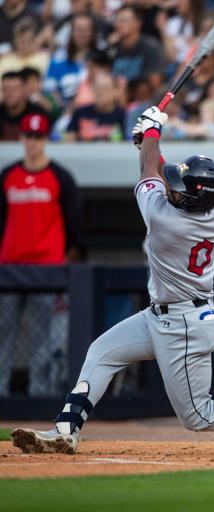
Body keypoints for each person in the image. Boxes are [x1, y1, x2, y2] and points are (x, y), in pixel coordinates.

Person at [10, 105, 214, 456]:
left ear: (192, 201)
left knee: (199, 416)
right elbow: (164, 173)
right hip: (164, 315)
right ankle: (66, 430)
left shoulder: (165, 221)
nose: (172, 190)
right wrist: (147, 141)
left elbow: (149, 170)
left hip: (183, 325)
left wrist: (152, 133)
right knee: (102, 352)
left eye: (180, 191)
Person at [0, 113, 82, 397]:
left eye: (38, 137)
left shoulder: (60, 177)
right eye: (28, 136)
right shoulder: (8, 175)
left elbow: (74, 224)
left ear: (45, 139)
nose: (32, 142)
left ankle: (39, 394)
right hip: (10, 266)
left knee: (42, 337)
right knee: (3, 334)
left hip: (47, 268)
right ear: (21, 138)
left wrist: (65, 254)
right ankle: (2, 394)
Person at [43, 12, 98, 110]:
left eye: (85, 30)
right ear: (71, 32)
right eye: (78, 29)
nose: (81, 33)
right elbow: (49, 88)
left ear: (92, 33)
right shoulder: (58, 58)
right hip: (64, 109)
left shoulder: (101, 57)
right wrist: (65, 107)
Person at [109, 5, 164, 89]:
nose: (118, 24)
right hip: (116, 93)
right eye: (117, 20)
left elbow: (155, 83)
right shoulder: (112, 48)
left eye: (124, 20)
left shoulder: (150, 47)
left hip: (141, 95)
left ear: (138, 23)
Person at [65, 71, 124, 141]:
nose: (100, 92)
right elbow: (69, 140)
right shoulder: (80, 113)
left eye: (105, 89)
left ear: (115, 92)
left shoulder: (122, 116)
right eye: (97, 88)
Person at [0, 70, 46, 140]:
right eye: (6, 89)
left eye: (15, 89)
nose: (10, 93)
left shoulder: (37, 113)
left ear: (24, 90)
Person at [0, 15, 50, 79]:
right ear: (15, 42)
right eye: (21, 42)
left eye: (27, 41)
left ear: (34, 41)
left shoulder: (44, 59)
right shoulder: (6, 60)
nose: (24, 46)